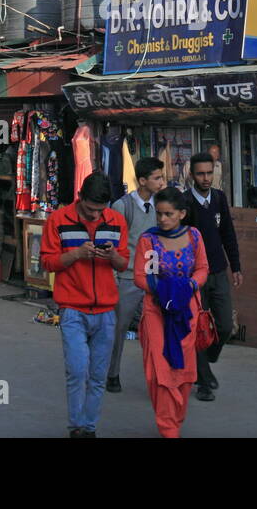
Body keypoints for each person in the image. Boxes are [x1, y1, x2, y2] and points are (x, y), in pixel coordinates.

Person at [40, 172, 128, 437]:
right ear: (79, 198)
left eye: (100, 211)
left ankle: (88, 428)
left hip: (106, 311)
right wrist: (75, 254)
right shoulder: (58, 220)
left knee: (98, 376)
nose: (94, 216)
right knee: (77, 371)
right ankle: (77, 426)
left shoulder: (116, 221)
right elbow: (47, 262)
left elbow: (124, 263)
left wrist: (112, 256)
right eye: (90, 209)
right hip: (72, 309)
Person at [133, 187, 209, 438]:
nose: (163, 220)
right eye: (160, 214)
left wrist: (187, 286)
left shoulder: (195, 237)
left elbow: (202, 269)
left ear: (182, 214)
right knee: (160, 369)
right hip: (156, 310)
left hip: (186, 312)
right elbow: (140, 276)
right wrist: (163, 289)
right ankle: (168, 428)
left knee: (185, 371)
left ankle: (175, 419)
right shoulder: (149, 240)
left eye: (169, 214)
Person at [181, 151, 241, 402]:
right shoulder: (184, 203)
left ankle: (208, 359)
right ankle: (204, 380)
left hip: (217, 271)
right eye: (200, 173)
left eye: (209, 173)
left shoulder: (218, 198)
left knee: (225, 325)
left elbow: (227, 232)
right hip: (194, 277)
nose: (206, 178)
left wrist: (236, 266)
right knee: (199, 328)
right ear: (192, 175)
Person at [107, 156, 166, 393]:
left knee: (159, 329)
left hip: (153, 278)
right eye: (157, 178)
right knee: (119, 328)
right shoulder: (122, 207)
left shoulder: (160, 206)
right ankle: (112, 373)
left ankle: (162, 376)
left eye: (162, 177)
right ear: (142, 181)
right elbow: (113, 245)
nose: (162, 182)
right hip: (128, 278)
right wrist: (113, 278)